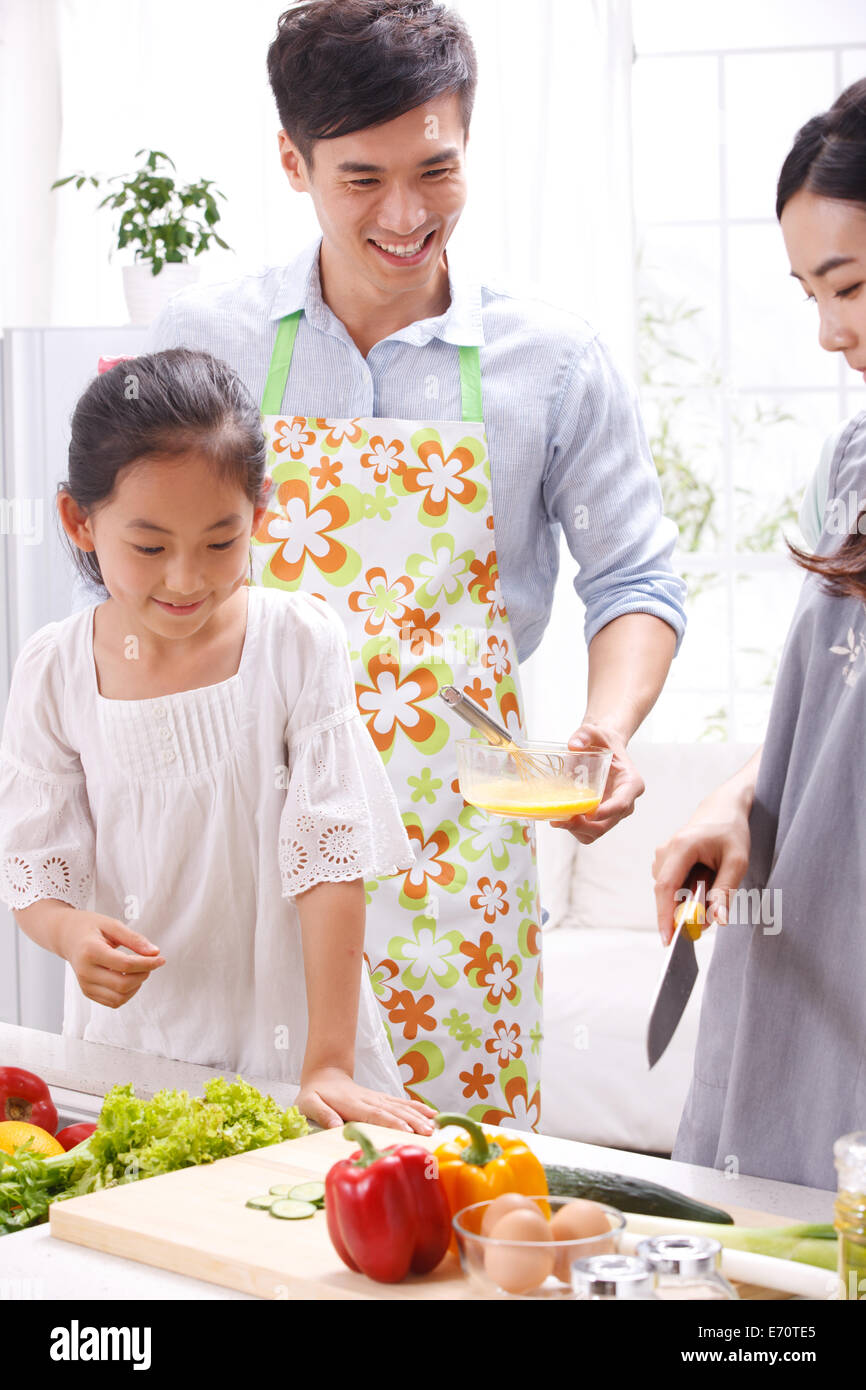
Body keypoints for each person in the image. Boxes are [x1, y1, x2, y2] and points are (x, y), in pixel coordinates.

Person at [74, 0, 688, 1128]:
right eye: (360, 179)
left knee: (461, 1194)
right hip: (242, 855)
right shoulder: (210, 340)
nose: (405, 216)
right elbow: (113, 579)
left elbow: (635, 581)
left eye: (434, 170)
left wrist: (604, 730)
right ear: (290, 161)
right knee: (228, 1186)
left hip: (453, 856)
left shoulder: (548, 362)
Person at [0, 349, 436, 1135]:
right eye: (150, 546)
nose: (186, 579)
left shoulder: (296, 642)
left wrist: (329, 1059)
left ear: (261, 515)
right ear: (79, 521)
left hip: (298, 1054)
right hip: (132, 1056)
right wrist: (68, 933)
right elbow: (37, 870)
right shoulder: (53, 670)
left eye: (220, 541)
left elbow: (331, 863)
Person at [653, 77, 866, 1190]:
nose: (830, 333)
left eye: (851, 286)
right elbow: (827, 700)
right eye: (808, 294)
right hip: (792, 942)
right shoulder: (851, 460)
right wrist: (737, 794)